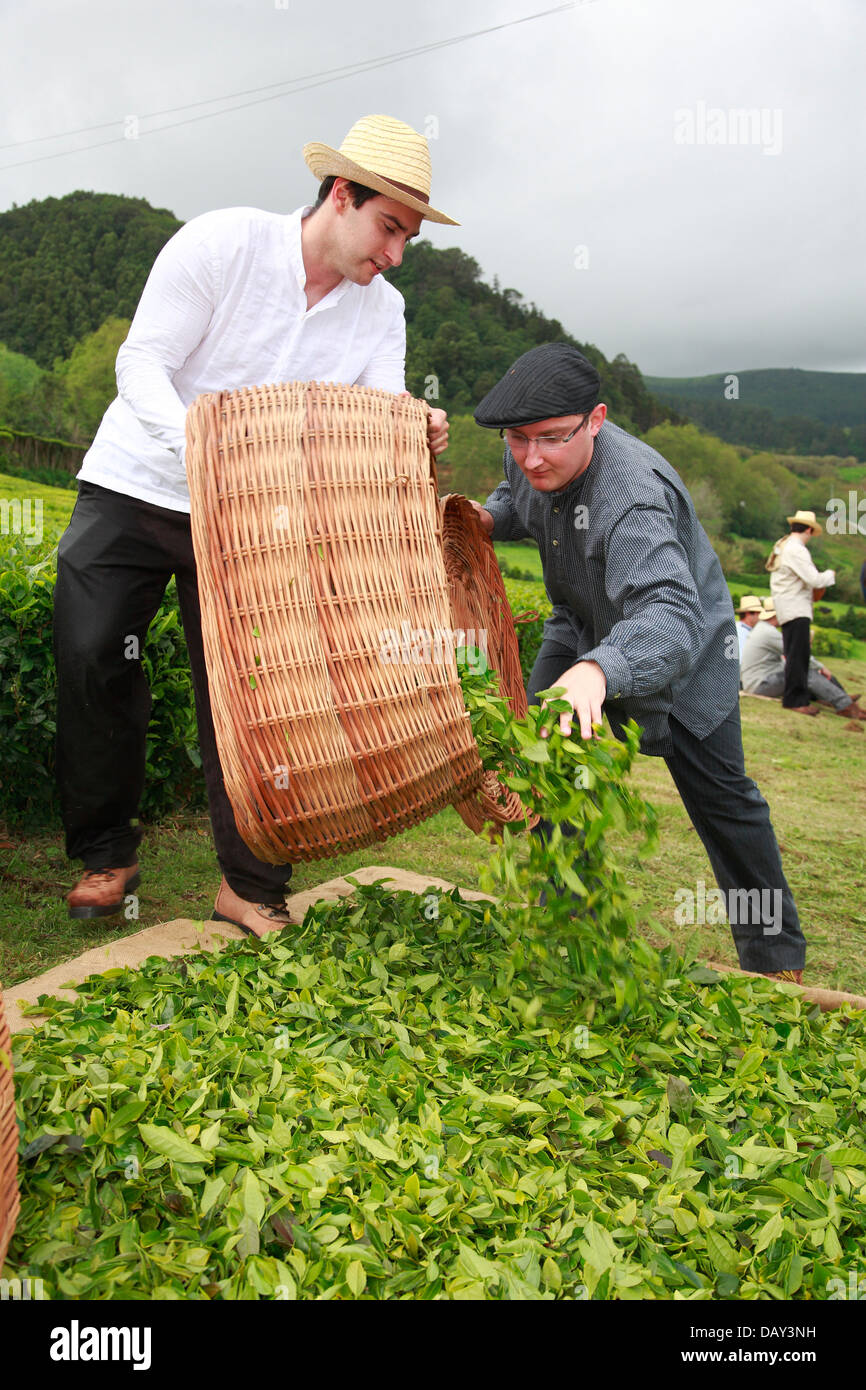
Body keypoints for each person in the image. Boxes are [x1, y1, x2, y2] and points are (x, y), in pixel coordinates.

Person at [54, 114, 456, 937]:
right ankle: (108, 853)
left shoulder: (383, 311)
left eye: (408, 237)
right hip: (136, 486)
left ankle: (249, 882)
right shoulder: (222, 245)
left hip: (257, 525)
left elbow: (375, 413)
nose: (394, 253)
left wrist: (415, 428)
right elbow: (143, 362)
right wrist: (201, 449)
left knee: (260, 697)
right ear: (340, 195)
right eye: (388, 228)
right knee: (95, 654)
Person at [469, 342, 806, 982]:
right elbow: (518, 493)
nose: (532, 456)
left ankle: (775, 962)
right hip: (579, 628)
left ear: (595, 420)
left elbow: (670, 615)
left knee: (726, 804)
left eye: (550, 440)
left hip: (684, 656)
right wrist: (486, 518)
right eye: (517, 440)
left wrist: (599, 672)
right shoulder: (532, 445)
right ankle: (567, 930)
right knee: (546, 774)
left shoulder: (633, 498)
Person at [741, 602, 864, 725]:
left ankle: (838, 698)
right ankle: (845, 705)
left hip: (759, 680)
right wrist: (821, 667)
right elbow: (797, 654)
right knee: (804, 673)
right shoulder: (768, 633)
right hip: (760, 684)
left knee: (802, 670)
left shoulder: (764, 629)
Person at [765, 510, 835, 715]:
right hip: (797, 607)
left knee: (794, 654)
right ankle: (795, 700)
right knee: (798, 656)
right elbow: (814, 579)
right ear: (809, 530)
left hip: (787, 606)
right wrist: (830, 575)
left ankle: (796, 697)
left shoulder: (782, 545)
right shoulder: (797, 549)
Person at [735, 595, 763, 664]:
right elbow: (741, 662)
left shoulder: (737, 627)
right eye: (759, 613)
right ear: (749, 614)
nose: (760, 617)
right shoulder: (742, 632)